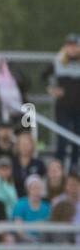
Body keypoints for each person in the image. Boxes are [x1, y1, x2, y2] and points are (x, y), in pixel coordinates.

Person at [46, 33, 80, 173]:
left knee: (76, 141)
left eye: (74, 45)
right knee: (62, 141)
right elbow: (43, 75)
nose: (71, 49)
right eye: (69, 45)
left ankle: (73, 171)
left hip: (78, 108)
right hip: (63, 108)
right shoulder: (58, 61)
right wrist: (52, 89)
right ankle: (57, 171)